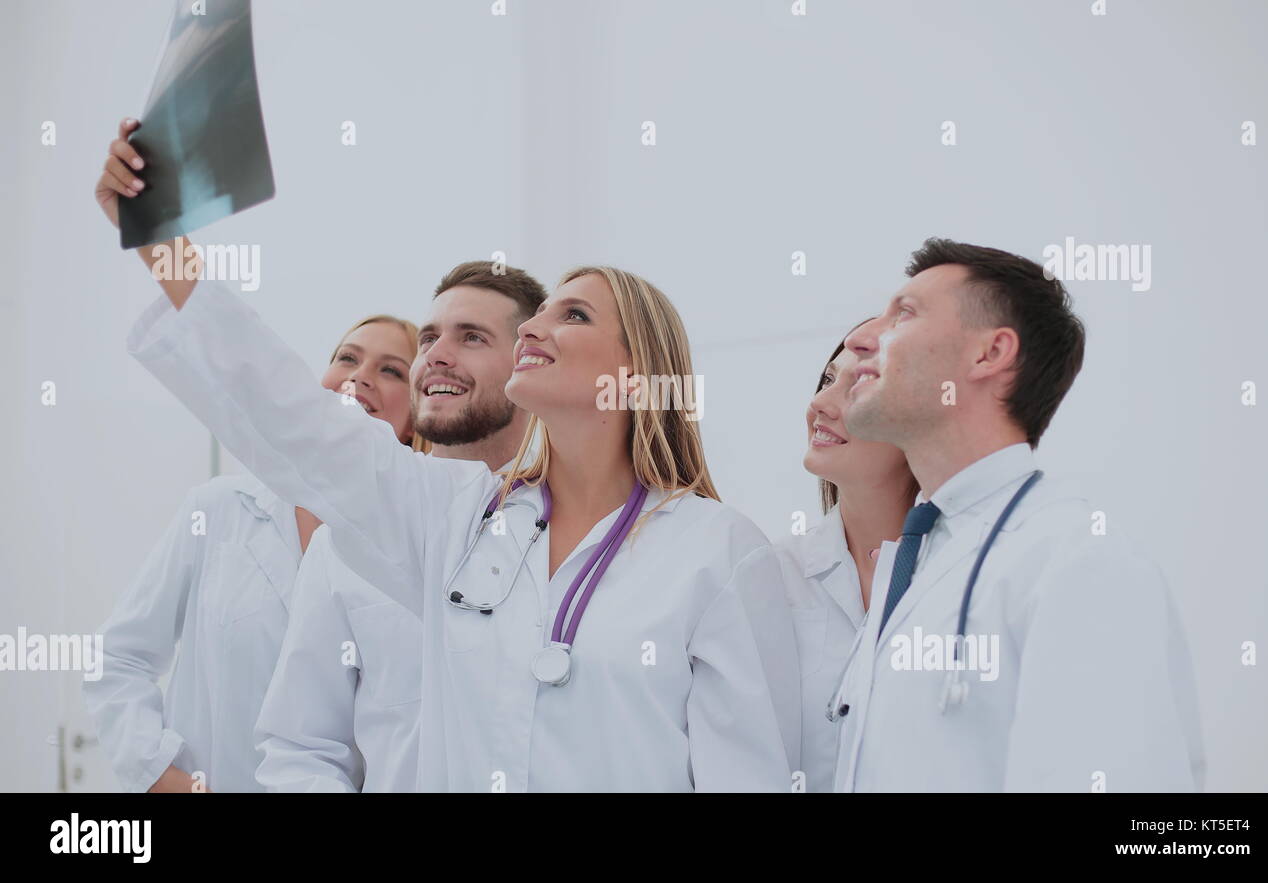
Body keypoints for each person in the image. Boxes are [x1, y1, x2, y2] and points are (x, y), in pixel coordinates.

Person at [97, 120, 793, 791]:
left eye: (573, 315)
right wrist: (163, 245)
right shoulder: (453, 517)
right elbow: (297, 420)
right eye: (541, 314)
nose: (539, 327)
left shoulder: (720, 554)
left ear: (637, 371)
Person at [830, 237, 1204, 792]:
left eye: (903, 313)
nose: (861, 339)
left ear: (990, 353)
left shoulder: (1077, 561)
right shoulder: (917, 561)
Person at [83, 309, 430, 793]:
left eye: (391, 369)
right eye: (347, 358)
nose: (360, 376)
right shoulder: (219, 510)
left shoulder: (415, 549)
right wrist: (166, 779)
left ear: (416, 420)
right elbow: (119, 659)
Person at [254, 261, 545, 792]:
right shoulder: (343, 542)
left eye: (472, 337)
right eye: (429, 338)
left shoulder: (574, 527)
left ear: (527, 367)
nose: (436, 354)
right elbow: (303, 747)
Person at [766, 327, 917, 792]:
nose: (821, 405)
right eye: (828, 380)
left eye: (860, 384)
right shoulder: (770, 575)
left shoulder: (975, 576)